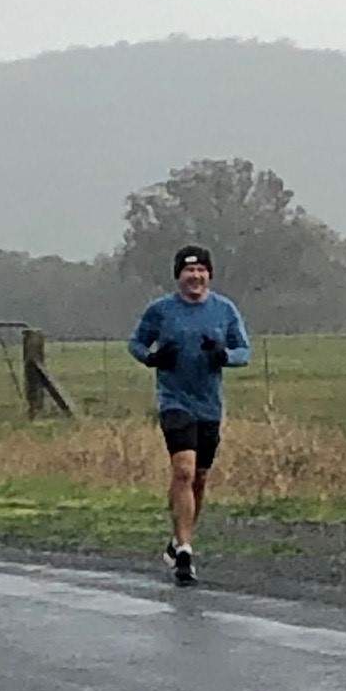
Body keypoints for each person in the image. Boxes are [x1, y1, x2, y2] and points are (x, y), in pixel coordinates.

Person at [127, 244, 251, 585]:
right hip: (174, 401)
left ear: (209, 274)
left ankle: (176, 538)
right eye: (188, 271)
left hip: (208, 404)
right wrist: (152, 358)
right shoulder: (161, 310)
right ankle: (184, 551)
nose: (195, 277)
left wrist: (223, 356)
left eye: (201, 271)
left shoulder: (224, 309)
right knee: (182, 470)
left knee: (199, 478)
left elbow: (244, 351)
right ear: (178, 276)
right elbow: (136, 343)